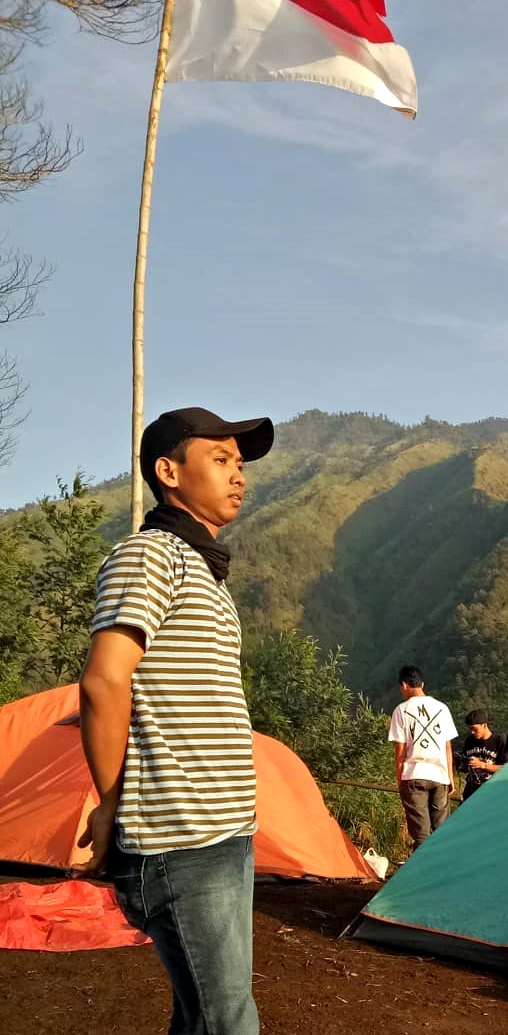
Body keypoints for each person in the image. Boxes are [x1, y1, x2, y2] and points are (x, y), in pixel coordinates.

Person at [74, 406, 274, 1035]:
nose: (238, 476)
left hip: (223, 831)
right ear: (169, 472)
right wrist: (109, 805)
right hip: (180, 839)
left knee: (202, 1018)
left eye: (240, 465)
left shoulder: (202, 570)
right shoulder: (150, 555)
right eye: (220, 460)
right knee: (230, 1024)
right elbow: (105, 680)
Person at [389, 666, 458, 848]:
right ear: (422, 684)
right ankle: (443, 871)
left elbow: (400, 749)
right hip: (440, 776)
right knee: (441, 832)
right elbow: (447, 746)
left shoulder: (401, 710)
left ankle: (425, 875)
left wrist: (399, 776)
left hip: (414, 775)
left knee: (421, 835)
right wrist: (450, 777)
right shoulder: (442, 708)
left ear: (404, 685)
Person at [458, 709, 506, 800]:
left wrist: (483, 765)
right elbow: (465, 767)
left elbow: (505, 768)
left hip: (492, 791)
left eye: (474, 729)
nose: (472, 732)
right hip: (471, 791)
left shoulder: (499, 741)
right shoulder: (469, 741)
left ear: (484, 725)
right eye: (470, 729)